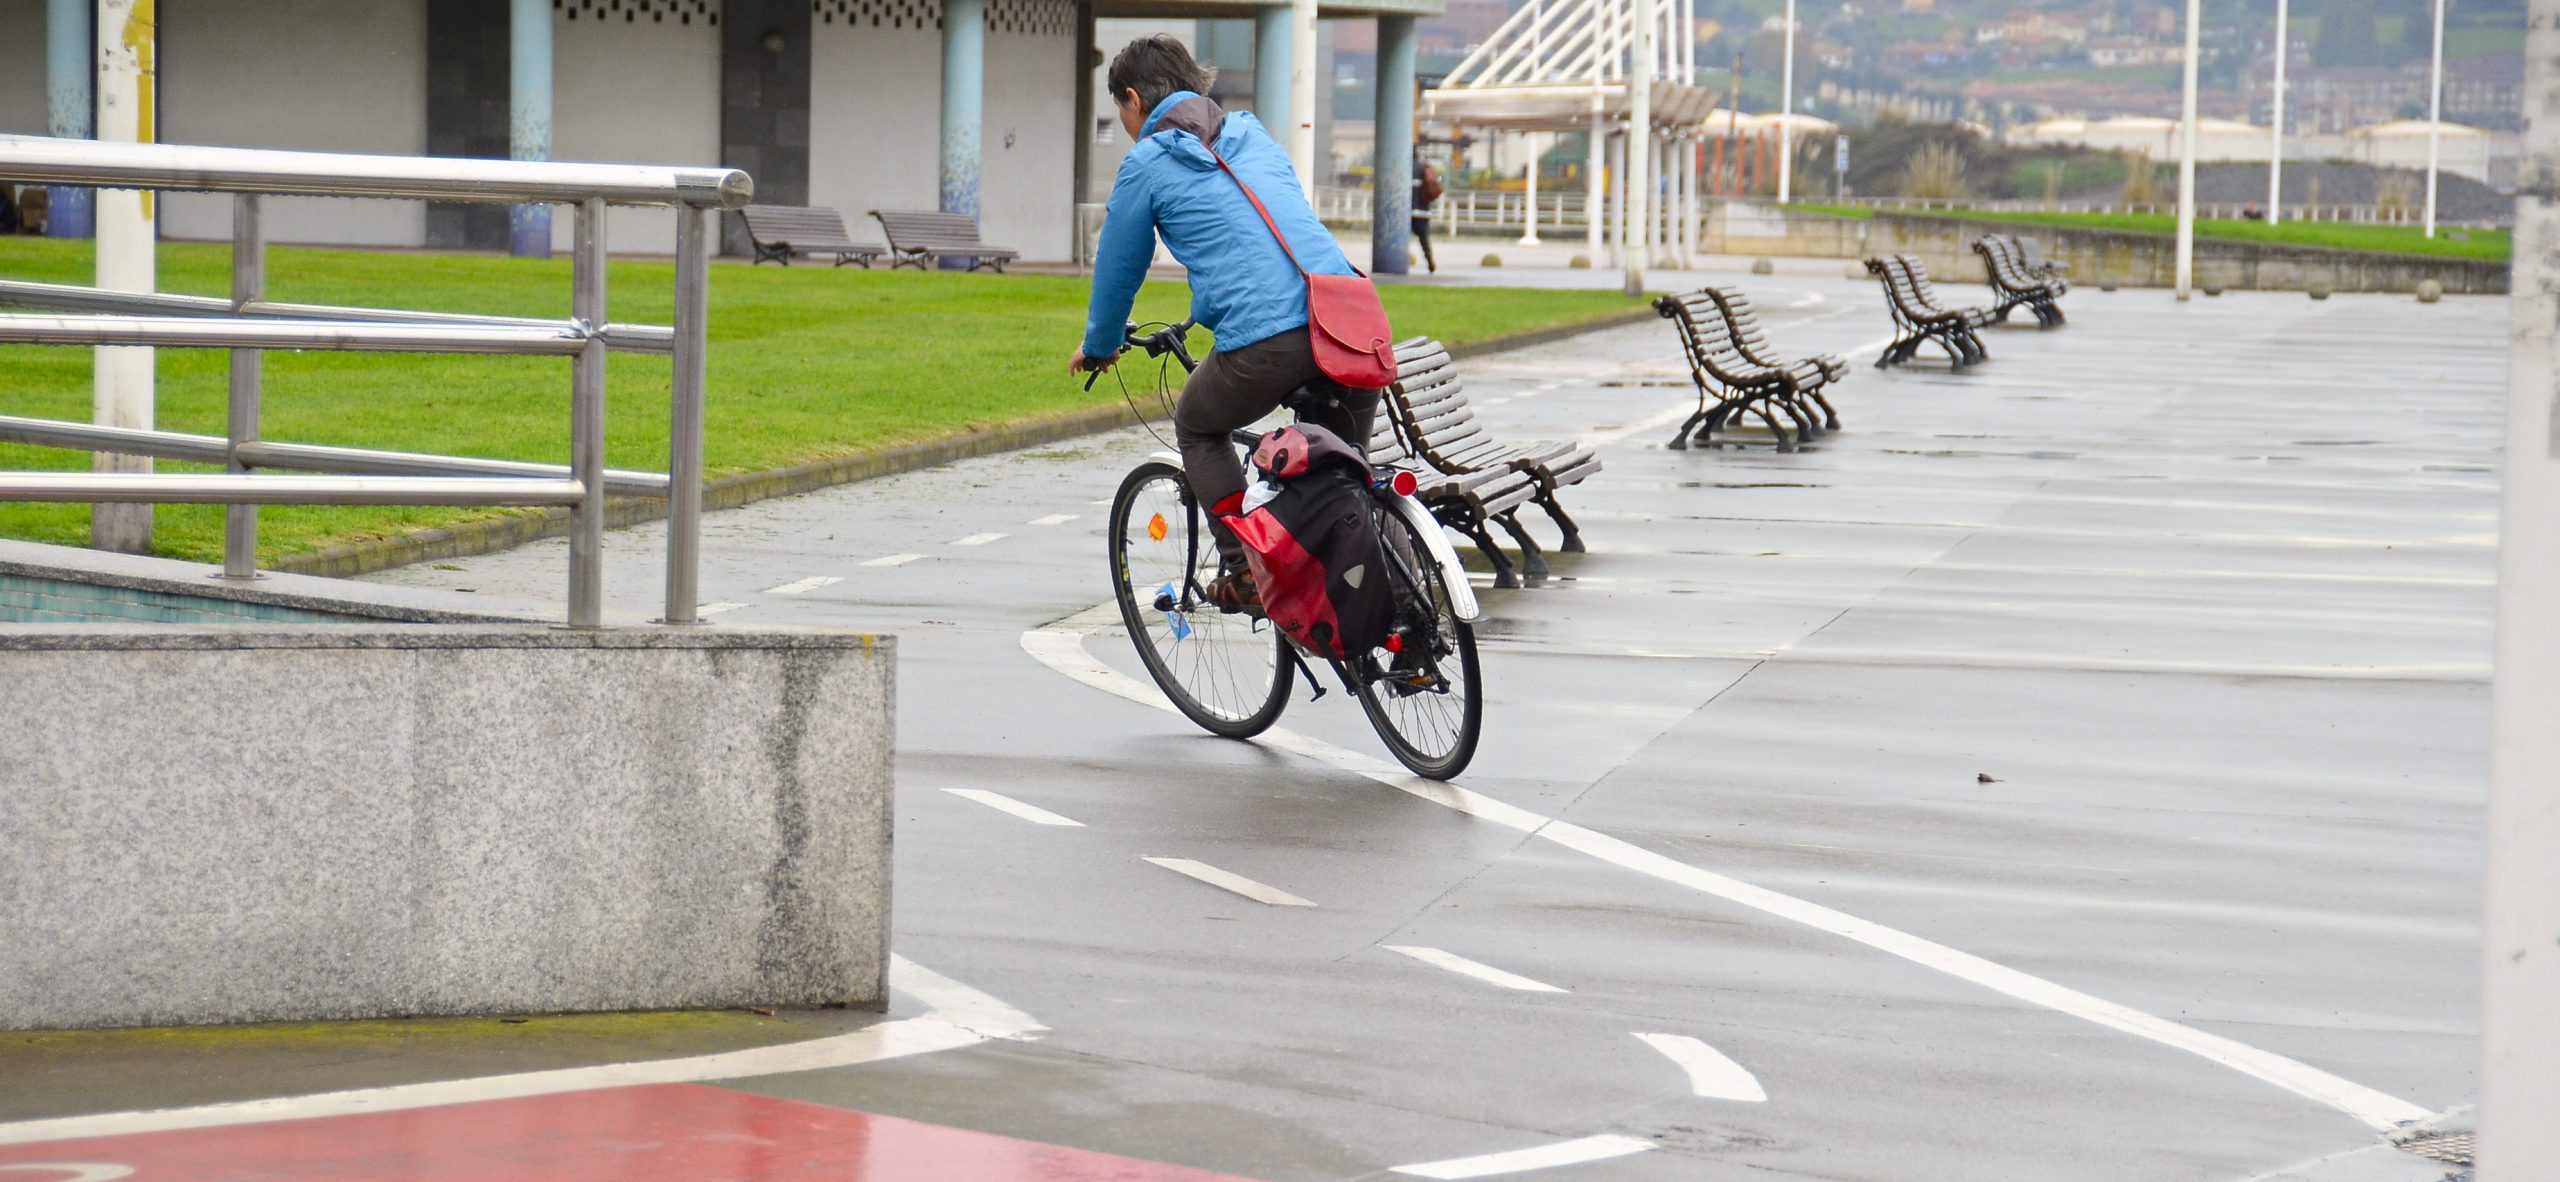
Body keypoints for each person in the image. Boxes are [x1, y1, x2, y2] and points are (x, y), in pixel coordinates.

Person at [1070, 35, 1380, 612]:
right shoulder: (1251, 133)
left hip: (1272, 339)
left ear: (1134, 99)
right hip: (1352, 321)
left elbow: (1118, 268)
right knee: (1351, 489)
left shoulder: (1146, 164)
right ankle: (1404, 633)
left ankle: (1245, 570)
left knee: (1197, 424)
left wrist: (1101, 344)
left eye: (1121, 110)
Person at [1410, 157, 1441, 273]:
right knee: (1424, 239)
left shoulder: (1405, 166)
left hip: (1408, 212)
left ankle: (1396, 263)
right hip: (1424, 212)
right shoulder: (1424, 166)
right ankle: (1429, 260)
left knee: (1399, 240)